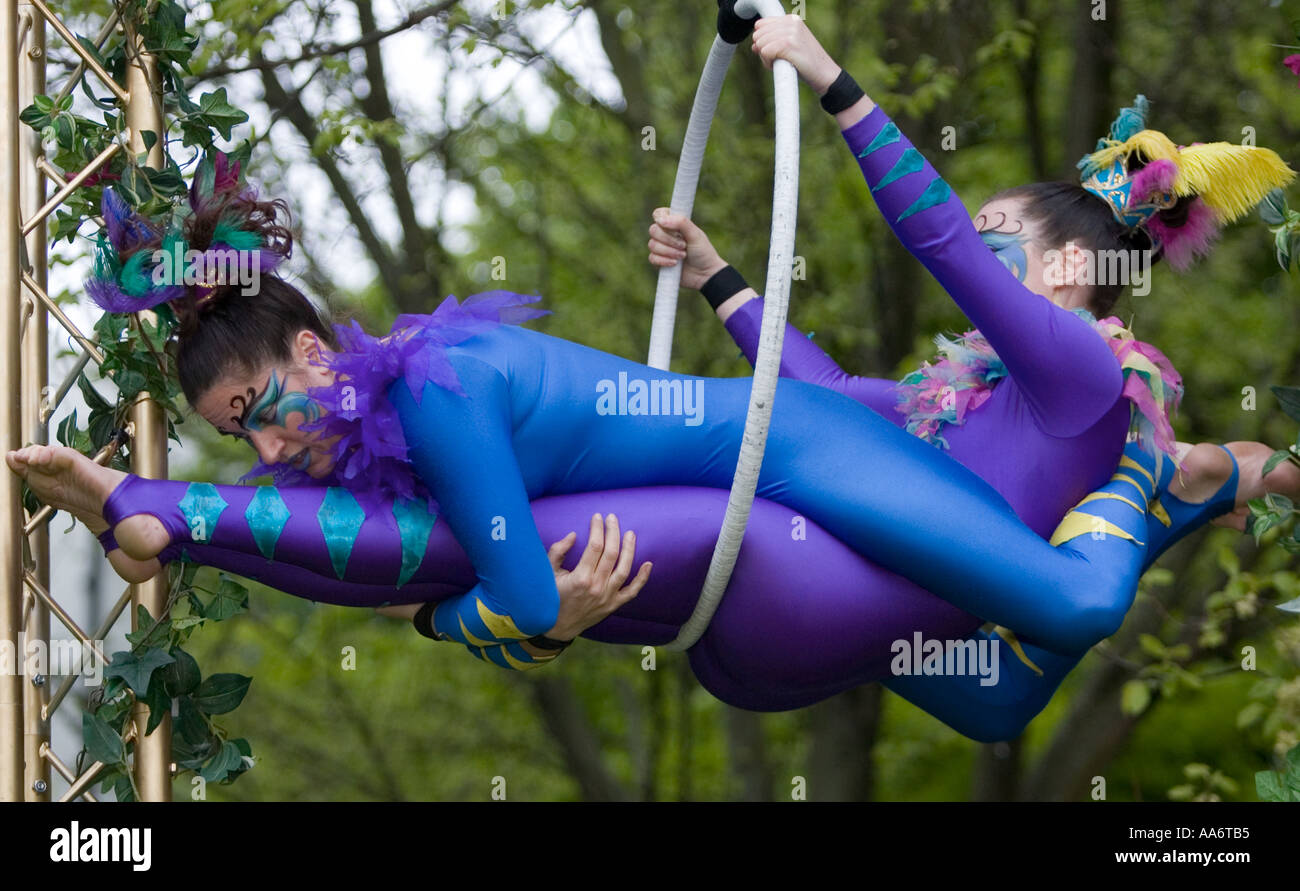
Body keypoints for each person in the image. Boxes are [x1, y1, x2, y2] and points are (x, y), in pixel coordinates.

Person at [8, 15, 1293, 741]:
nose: (993, 259)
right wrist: (730, 283)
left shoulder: (1074, 367)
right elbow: (842, 403)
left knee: (1059, 624)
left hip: (854, 550)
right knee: (982, 667)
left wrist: (830, 80)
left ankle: (1174, 485)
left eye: (1018, 241)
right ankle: (154, 514)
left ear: (1073, 262)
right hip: (819, 546)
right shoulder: (965, 396)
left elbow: (937, 240)